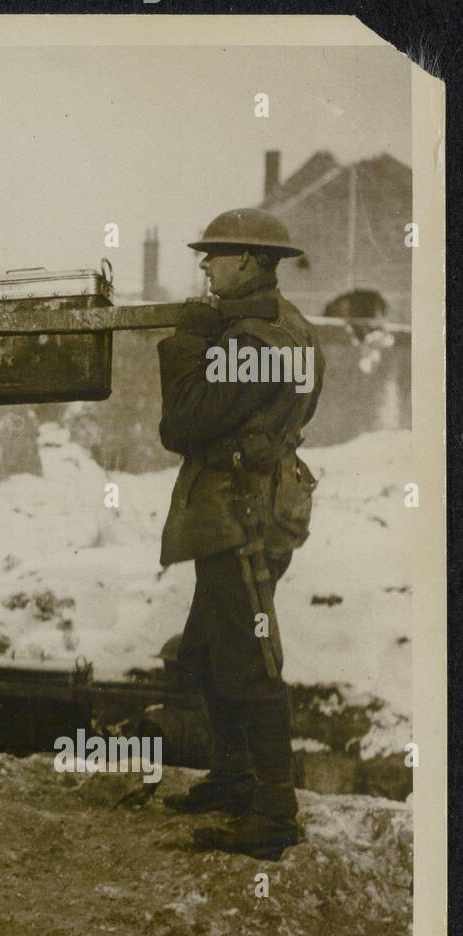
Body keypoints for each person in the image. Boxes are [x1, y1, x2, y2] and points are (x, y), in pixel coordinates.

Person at [156, 208, 324, 861]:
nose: (205, 265)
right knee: (210, 644)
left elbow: (186, 423)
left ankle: (275, 811)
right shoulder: (290, 328)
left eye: (215, 256)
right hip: (246, 505)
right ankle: (233, 777)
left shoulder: (252, 345)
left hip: (241, 515)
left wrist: (185, 343)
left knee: (250, 656)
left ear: (250, 262)